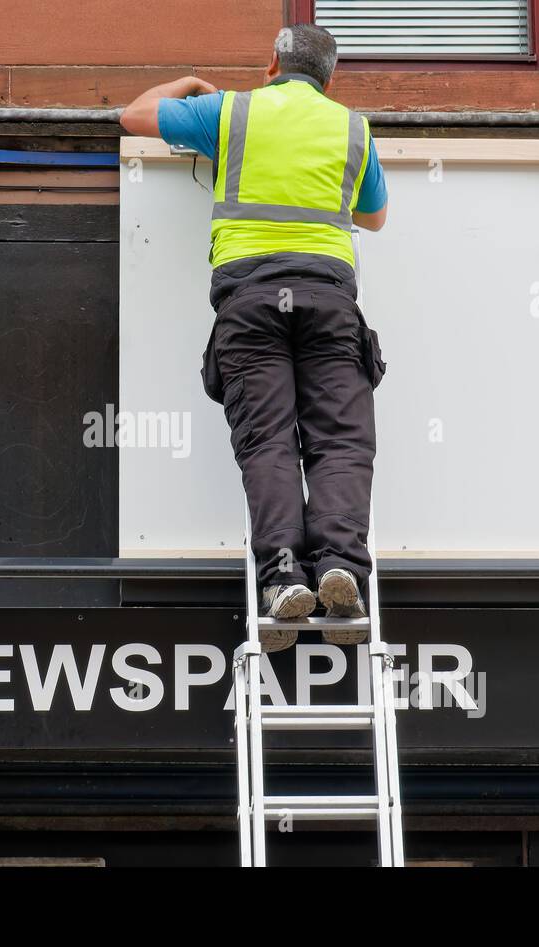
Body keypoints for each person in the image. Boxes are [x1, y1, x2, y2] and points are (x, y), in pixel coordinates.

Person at [120, 23, 388, 652]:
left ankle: (284, 577)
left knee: (267, 442)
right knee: (341, 442)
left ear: (272, 63)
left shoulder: (230, 111)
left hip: (249, 303)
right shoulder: (352, 127)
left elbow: (132, 116)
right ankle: (340, 566)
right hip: (328, 301)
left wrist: (189, 85)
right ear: (330, 78)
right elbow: (373, 217)